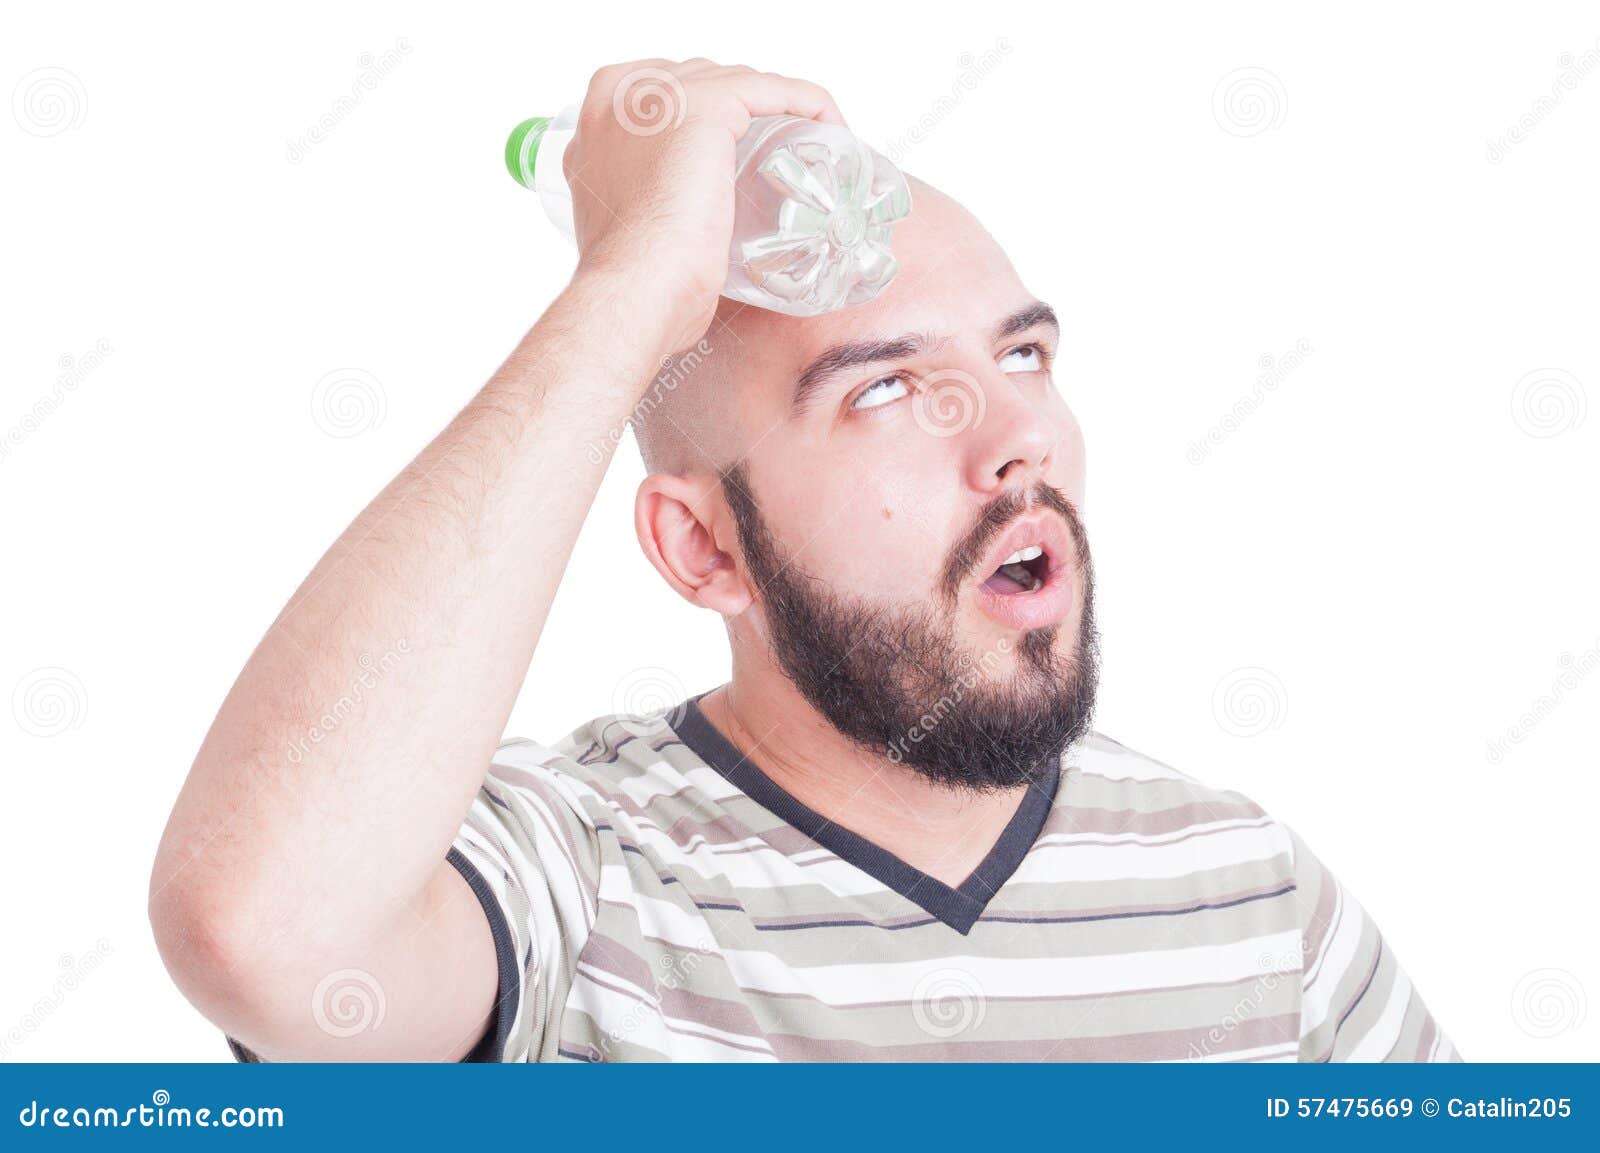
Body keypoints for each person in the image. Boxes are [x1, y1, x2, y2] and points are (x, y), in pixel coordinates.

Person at [150, 58, 1459, 1062]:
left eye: (1023, 356)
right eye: (885, 393)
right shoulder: (577, 877)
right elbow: (266, 934)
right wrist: (628, 286)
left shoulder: (1253, 896)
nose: (1015, 440)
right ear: (704, 545)